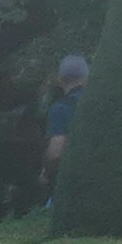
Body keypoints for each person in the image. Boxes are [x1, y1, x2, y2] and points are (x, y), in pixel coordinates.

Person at [35, 51, 90, 209]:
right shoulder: (100, 104)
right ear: (87, 76)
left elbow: (56, 153)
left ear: (60, 80)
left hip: (70, 187)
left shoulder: (61, 108)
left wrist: (46, 173)